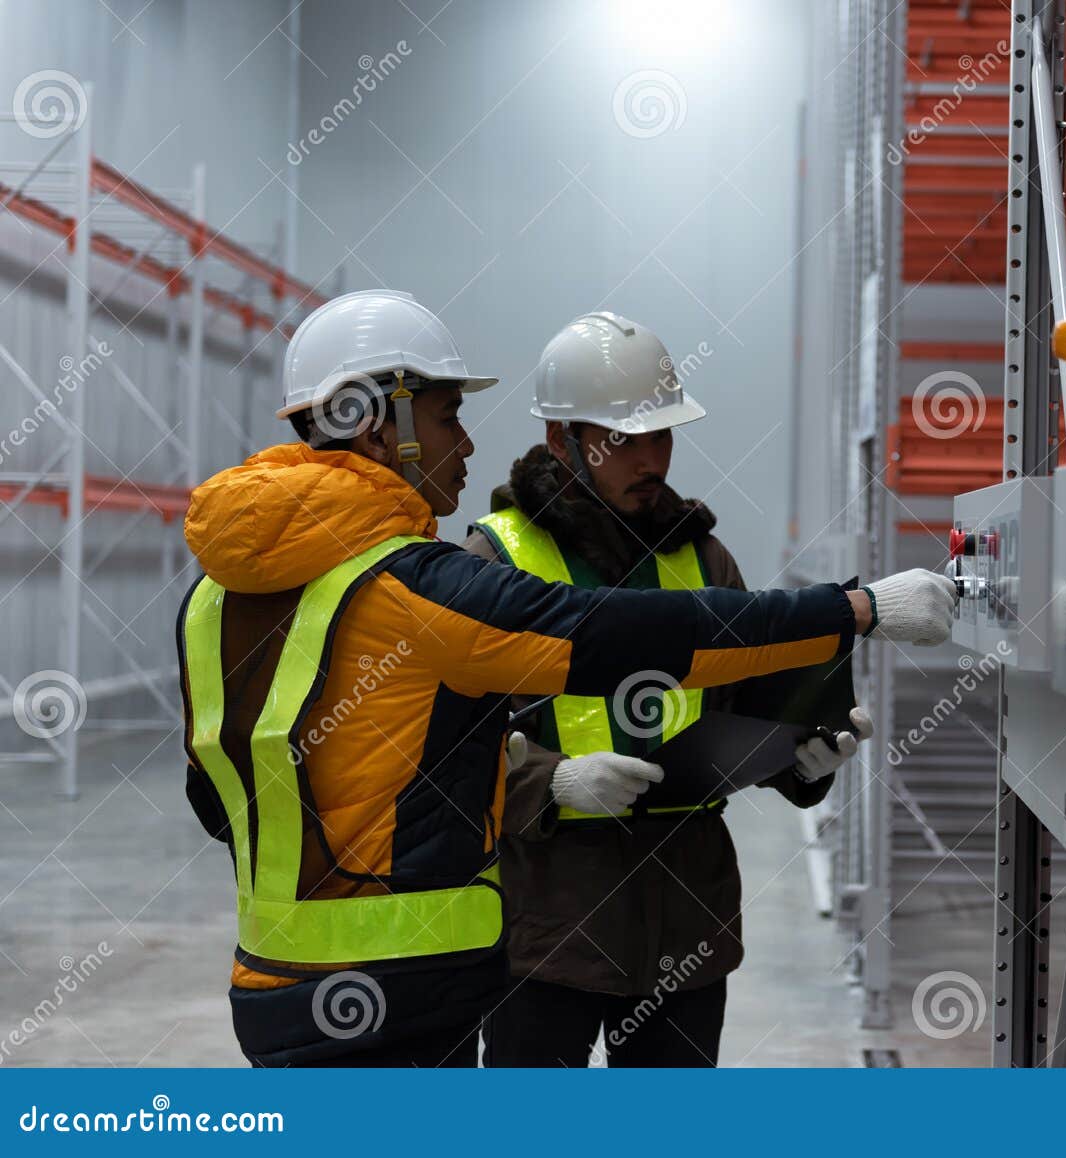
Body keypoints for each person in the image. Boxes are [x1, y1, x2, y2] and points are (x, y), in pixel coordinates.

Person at [176, 290, 956, 1067]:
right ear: (379, 423)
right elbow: (609, 635)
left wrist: (794, 762)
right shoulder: (425, 585)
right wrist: (855, 609)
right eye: (450, 417)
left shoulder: (209, 601)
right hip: (432, 978)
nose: (468, 444)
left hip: (281, 986)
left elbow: (219, 800)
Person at [464, 312, 866, 1067]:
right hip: (547, 924)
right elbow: (446, 744)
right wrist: (553, 782)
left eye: (663, 436)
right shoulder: (496, 560)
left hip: (686, 923)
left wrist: (800, 761)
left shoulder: (702, 558)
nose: (652, 459)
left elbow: (747, 712)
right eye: (627, 440)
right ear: (562, 441)